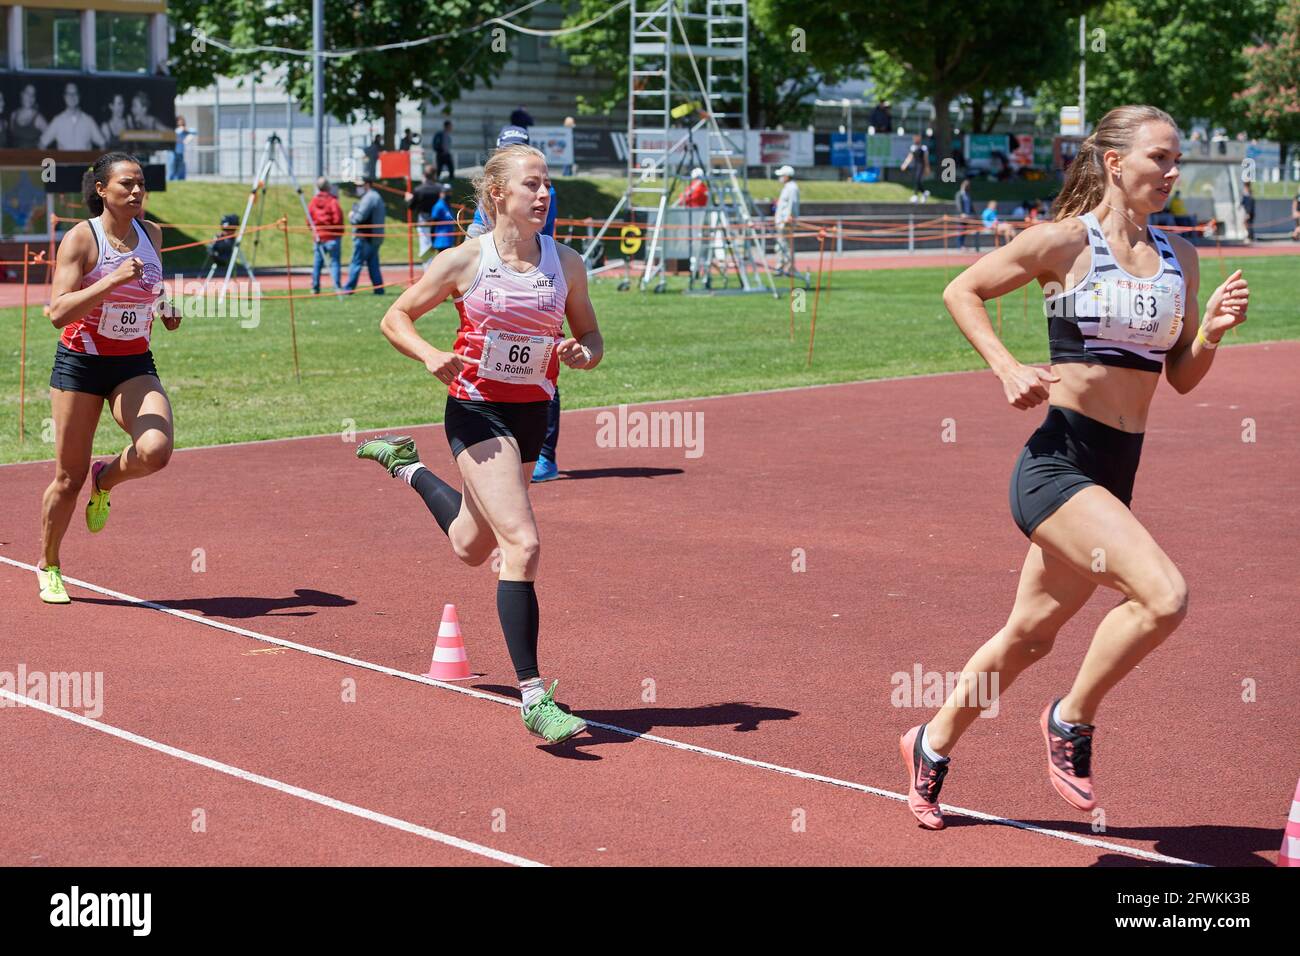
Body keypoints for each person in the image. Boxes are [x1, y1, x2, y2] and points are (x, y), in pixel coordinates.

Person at [900, 105, 1250, 830]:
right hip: (1058, 467)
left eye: (1177, 159)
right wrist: (1004, 367)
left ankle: (928, 744)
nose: (1173, 172)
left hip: (1116, 473)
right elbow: (961, 289)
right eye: (1160, 158)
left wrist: (1210, 333)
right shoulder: (1064, 243)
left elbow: (1178, 377)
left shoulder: (1180, 256)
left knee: (1029, 635)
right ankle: (1070, 718)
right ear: (1117, 162)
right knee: (1164, 597)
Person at [354, 143, 604, 743]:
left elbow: (591, 336)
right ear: (499, 196)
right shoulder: (465, 261)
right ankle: (535, 696)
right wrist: (431, 354)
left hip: (532, 416)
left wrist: (582, 353)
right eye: (532, 185)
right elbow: (395, 318)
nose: (544, 195)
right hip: (476, 412)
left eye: (548, 185)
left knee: (470, 544)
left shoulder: (566, 263)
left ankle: (405, 466)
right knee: (522, 543)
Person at [37, 152, 182, 604]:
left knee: (155, 451)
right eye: (126, 184)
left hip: (133, 362)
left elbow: (152, 288)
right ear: (101, 190)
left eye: (141, 184)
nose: (137, 191)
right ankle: (50, 564)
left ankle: (107, 478)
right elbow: (57, 313)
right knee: (67, 477)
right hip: (80, 364)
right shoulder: (81, 239)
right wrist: (111, 280)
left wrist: (165, 307)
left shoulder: (151, 233)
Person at [466, 126, 562, 482]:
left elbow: (534, 232)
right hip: (494, 279)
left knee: (544, 371)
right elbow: (478, 232)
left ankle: (545, 456)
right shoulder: (493, 196)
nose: (542, 193)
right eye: (509, 147)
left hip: (537, 280)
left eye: (545, 185)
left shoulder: (540, 193)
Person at [343, 176, 386, 295]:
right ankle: (379, 289)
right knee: (373, 265)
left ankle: (348, 289)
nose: (358, 188)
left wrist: (352, 216)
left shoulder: (369, 198)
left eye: (360, 185)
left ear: (367, 184)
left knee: (356, 263)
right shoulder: (376, 196)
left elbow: (359, 218)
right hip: (374, 238)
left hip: (365, 238)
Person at [40, 83, 106, 152]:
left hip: (84, 162)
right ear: (64, 97)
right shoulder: (57, 121)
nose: (72, 97)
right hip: (64, 162)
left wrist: (98, 162)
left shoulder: (89, 120)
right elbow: (42, 144)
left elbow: (103, 143)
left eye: (75, 93)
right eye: (69, 94)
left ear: (79, 96)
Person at [309, 178, 345, 294]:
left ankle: (315, 287)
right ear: (328, 187)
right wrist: (338, 230)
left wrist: (314, 230)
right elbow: (337, 218)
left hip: (319, 236)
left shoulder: (313, 201)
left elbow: (309, 218)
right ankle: (336, 286)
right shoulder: (332, 201)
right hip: (332, 236)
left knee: (317, 263)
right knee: (334, 262)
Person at [405, 164, 444, 261]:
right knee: (438, 247)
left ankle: (428, 271)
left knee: (425, 246)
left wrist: (409, 199)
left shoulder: (419, 189)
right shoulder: (440, 188)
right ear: (434, 175)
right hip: (438, 221)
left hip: (424, 220)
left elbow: (411, 206)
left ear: (424, 175)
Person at [773, 164, 800, 275]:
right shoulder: (787, 187)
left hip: (786, 222)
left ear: (787, 176)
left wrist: (790, 216)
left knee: (786, 245)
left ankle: (788, 267)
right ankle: (781, 265)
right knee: (781, 244)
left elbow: (792, 203)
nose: (780, 177)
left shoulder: (792, 188)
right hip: (781, 221)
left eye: (782, 175)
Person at [10, 83, 47, 149]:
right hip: (16, 158)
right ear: (22, 94)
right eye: (27, 93)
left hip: (33, 158)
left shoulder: (38, 118)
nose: (30, 97)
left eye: (32, 95)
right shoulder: (14, 115)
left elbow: (50, 139)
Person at [900, 134, 930, 202]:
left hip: (922, 166)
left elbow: (926, 159)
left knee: (918, 179)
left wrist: (927, 168)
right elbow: (910, 157)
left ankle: (915, 195)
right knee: (917, 180)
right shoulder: (913, 148)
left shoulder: (924, 148)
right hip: (916, 165)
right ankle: (924, 193)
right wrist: (905, 164)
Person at [171, 116, 197, 181]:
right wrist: (181, 129)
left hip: (180, 152)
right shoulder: (175, 129)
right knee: (172, 167)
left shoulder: (184, 130)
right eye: (179, 121)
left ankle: (179, 179)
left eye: (182, 121)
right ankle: (171, 180)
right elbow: (177, 132)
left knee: (180, 167)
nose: (180, 122)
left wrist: (185, 130)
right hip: (172, 152)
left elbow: (194, 132)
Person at [954, 178, 975, 250]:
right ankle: (960, 246)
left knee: (965, 231)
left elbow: (970, 205)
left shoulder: (968, 195)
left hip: (968, 216)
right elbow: (958, 204)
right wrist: (961, 213)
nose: (967, 187)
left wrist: (973, 213)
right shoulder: (959, 194)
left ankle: (963, 245)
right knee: (960, 231)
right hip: (961, 217)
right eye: (966, 185)